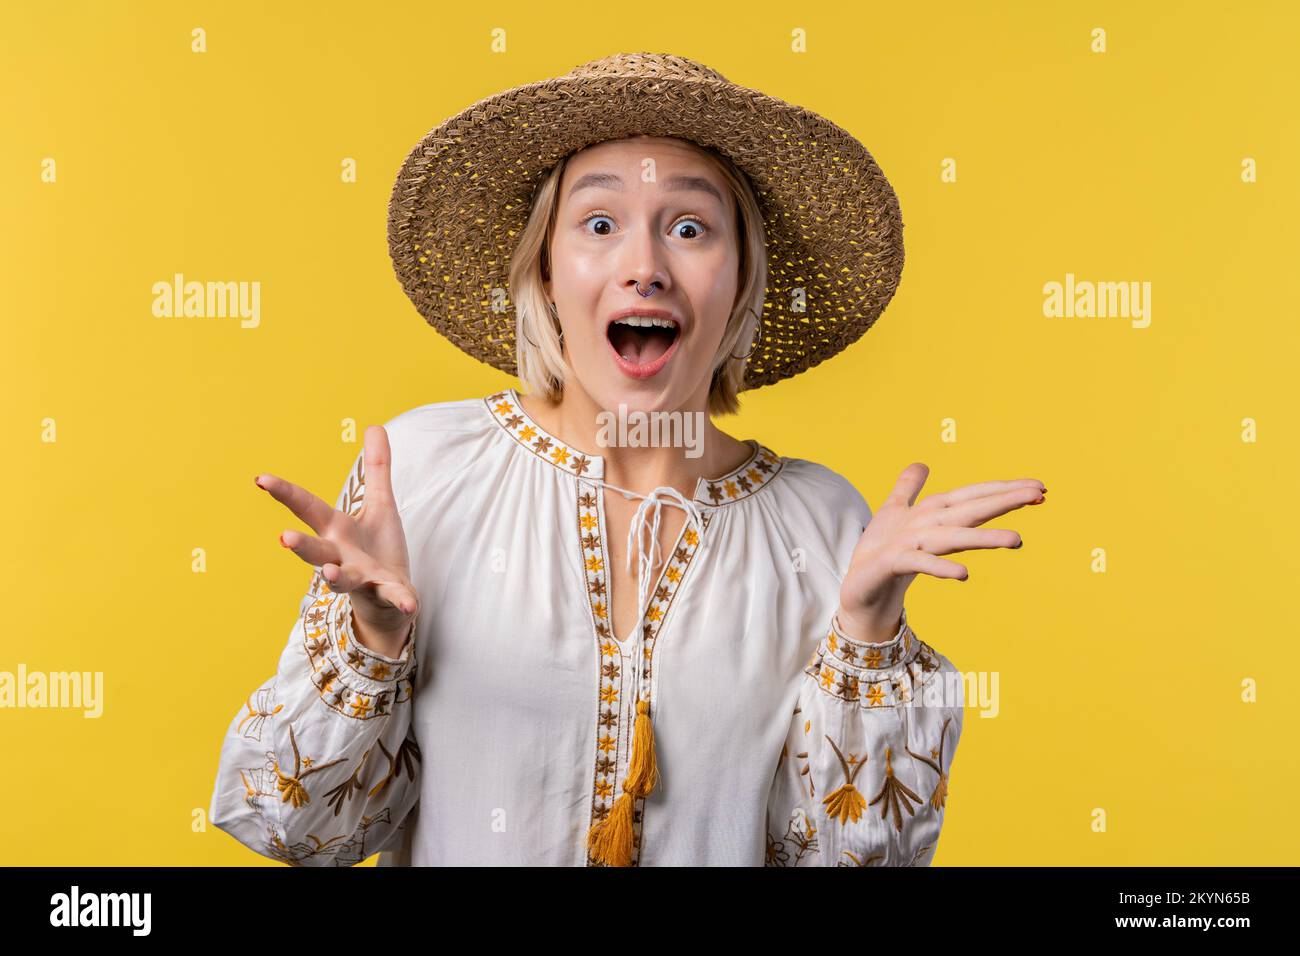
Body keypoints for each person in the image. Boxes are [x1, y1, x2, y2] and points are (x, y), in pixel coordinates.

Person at [208, 53, 1046, 867]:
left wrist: (868, 632)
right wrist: (372, 637)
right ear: (543, 271)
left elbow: (851, 862)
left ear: (744, 280)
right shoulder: (423, 473)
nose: (644, 268)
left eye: (690, 228)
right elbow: (295, 831)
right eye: (599, 224)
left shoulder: (823, 525)